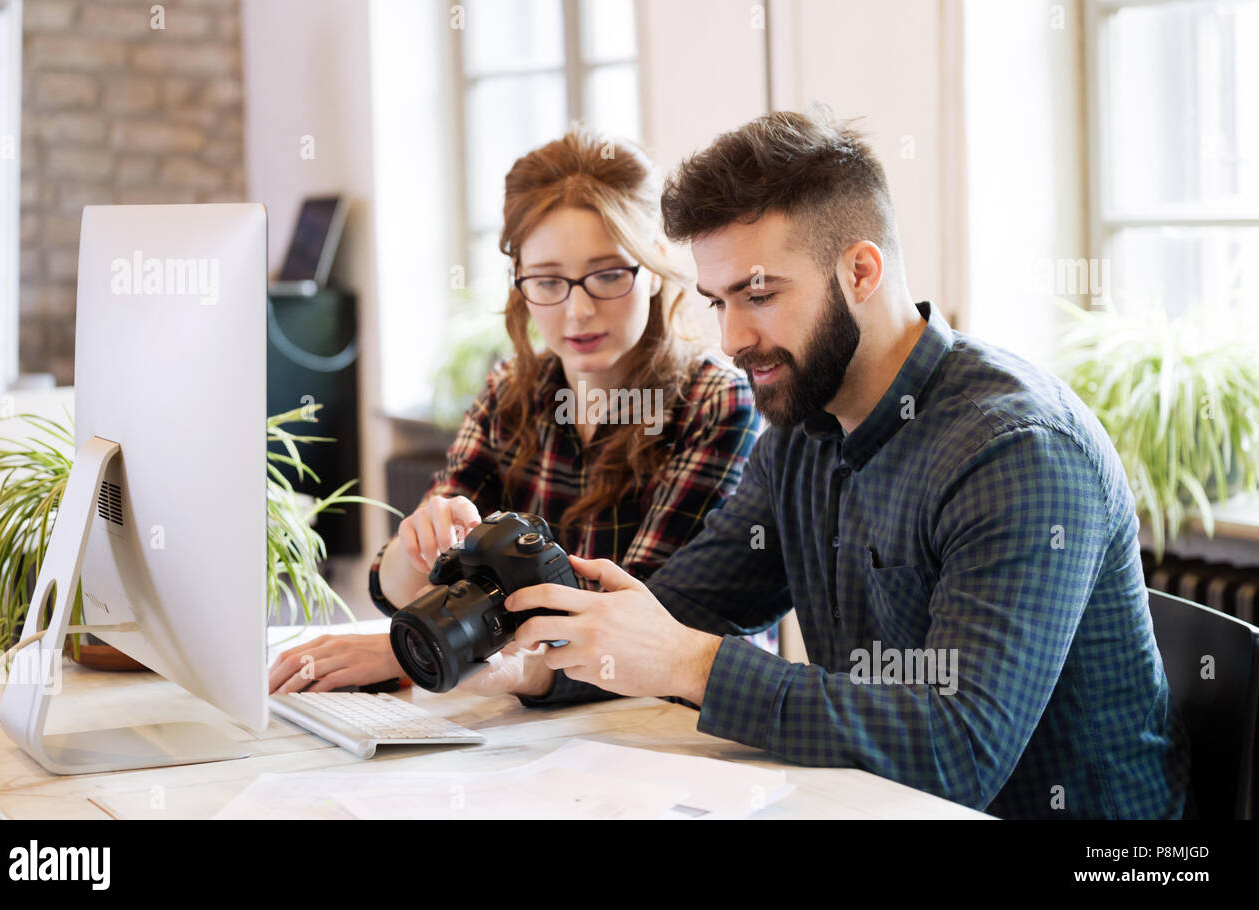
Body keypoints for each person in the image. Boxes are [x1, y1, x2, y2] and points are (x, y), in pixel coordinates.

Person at [484, 108, 1191, 820]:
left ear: (860, 270)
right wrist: (542, 667)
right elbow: (675, 613)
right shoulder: (803, 426)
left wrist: (692, 665)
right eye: (718, 301)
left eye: (759, 295)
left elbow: (960, 752)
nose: (732, 338)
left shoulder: (1017, 451)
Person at [269, 127, 764, 697]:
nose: (578, 310)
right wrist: (418, 545)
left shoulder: (714, 403)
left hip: (672, 729)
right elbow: (397, 584)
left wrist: (402, 652)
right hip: (539, 726)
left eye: (607, 274)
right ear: (520, 285)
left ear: (652, 267)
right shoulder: (512, 391)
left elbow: (636, 629)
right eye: (548, 281)